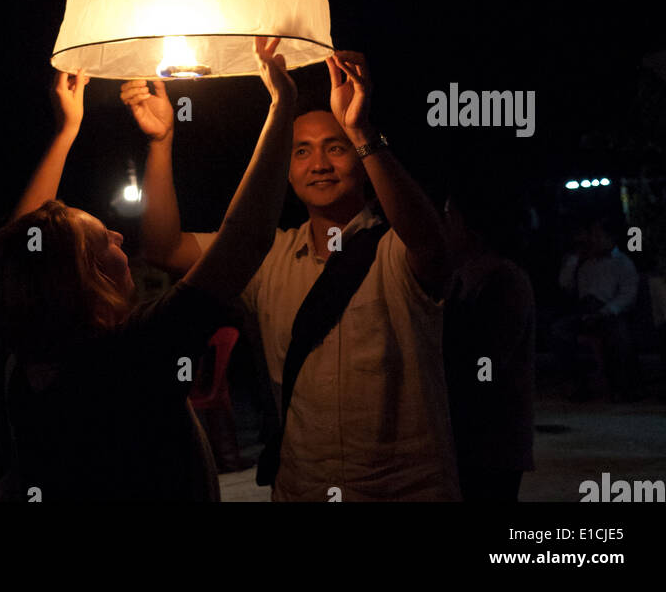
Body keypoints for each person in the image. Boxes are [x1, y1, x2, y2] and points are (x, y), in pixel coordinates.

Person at [130, 49, 461, 501]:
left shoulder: (395, 251)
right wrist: (161, 141)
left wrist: (362, 129)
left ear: (361, 160)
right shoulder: (268, 259)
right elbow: (163, 246)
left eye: (336, 147)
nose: (319, 164)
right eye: (301, 151)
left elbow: (433, 244)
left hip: (405, 489)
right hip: (302, 487)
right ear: (284, 170)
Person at [0, 36, 297, 502]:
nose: (120, 237)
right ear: (85, 276)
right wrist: (280, 110)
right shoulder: (134, 350)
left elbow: (20, 252)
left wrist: (67, 132)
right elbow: (245, 240)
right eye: (104, 240)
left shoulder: (26, 367)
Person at [442, 186, 535, 501]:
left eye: (449, 218)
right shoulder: (462, 275)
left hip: (492, 439)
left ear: (471, 229)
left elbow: (486, 360)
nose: (442, 227)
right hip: (473, 436)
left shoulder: (503, 279)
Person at [553, 217, 640, 400]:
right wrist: (575, 259)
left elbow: (628, 294)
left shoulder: (622, 262)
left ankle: (622, 386)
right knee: (559, 331)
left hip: (608, 311)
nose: (593, 239)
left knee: (619, 335)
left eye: (598, 235)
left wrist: (606, 311)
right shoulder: (584, 262)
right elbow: (565, 285)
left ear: (610, 238)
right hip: (584, 311)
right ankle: (577, 384)